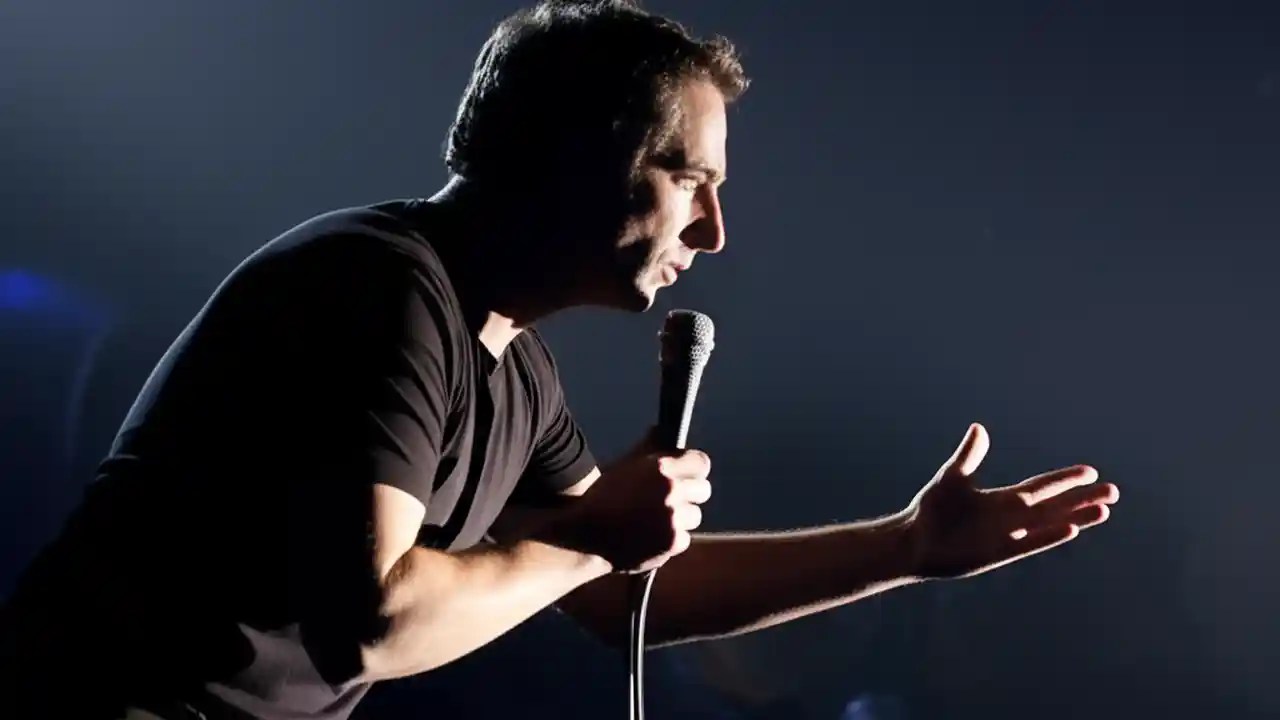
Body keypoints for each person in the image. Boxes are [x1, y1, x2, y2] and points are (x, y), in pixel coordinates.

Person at [0, 1, 1120, 718]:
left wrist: (904, 549)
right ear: (579, 155)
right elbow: (376, 623)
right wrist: (590, 539)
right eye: (691, 179)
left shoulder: (513, 370)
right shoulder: (381, 289)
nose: (713, 232)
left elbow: (626, 592)